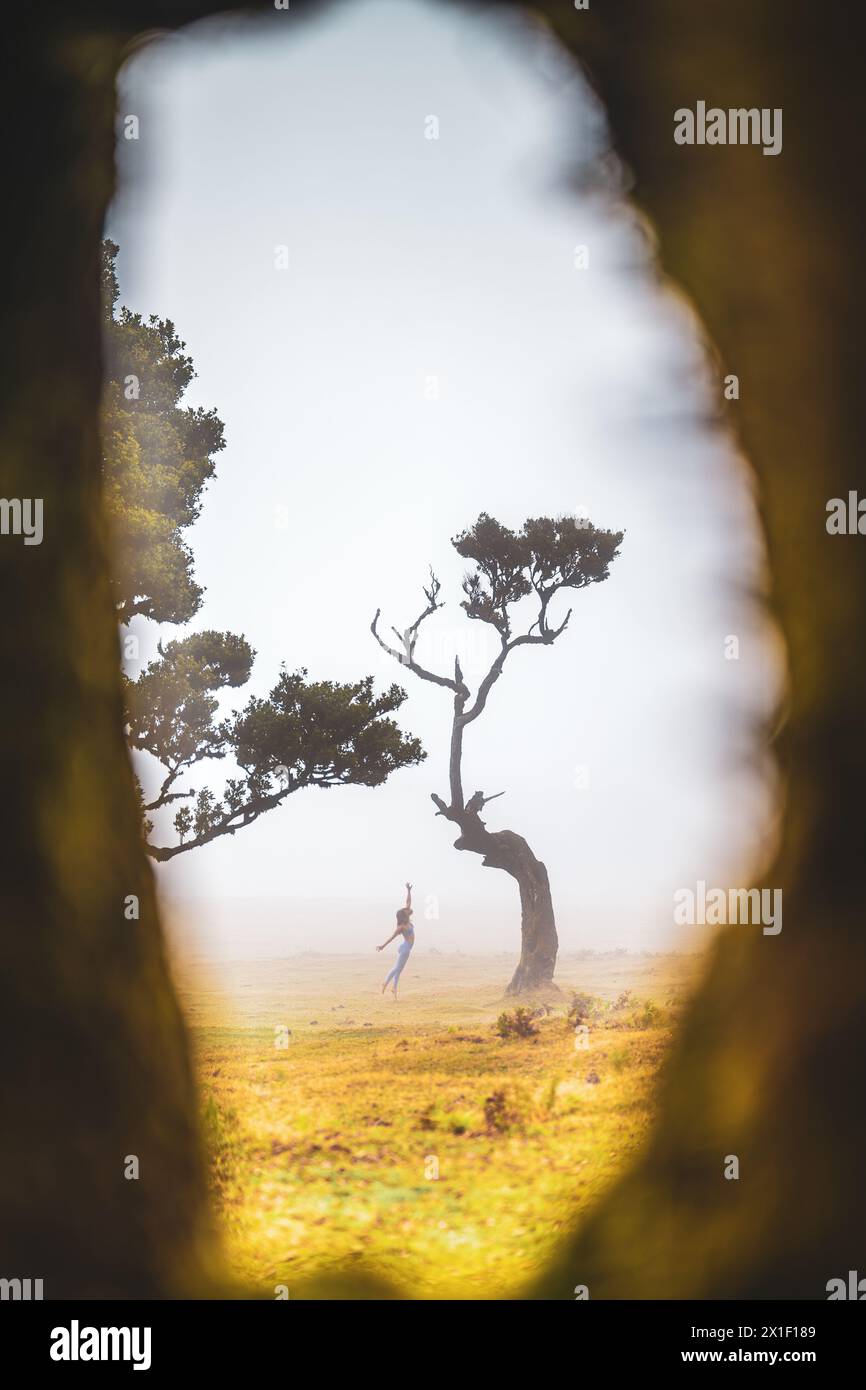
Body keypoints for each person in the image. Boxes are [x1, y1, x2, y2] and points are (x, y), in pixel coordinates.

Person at [377, 882, 415, 996]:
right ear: (403, 915)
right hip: (405, 948)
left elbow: (408, 902)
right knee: (397, 968)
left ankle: (394, 988)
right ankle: (385, 983)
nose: (408, 910)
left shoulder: (407, 920)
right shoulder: (401, 927)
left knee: (399, 968)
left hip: (406, 947)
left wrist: (408, 891)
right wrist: (383, 946)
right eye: (406, 911)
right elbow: (392, 938)